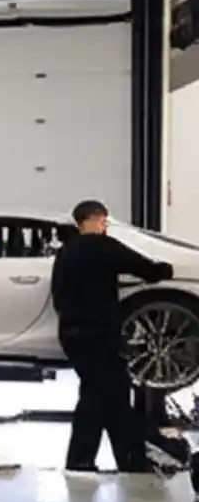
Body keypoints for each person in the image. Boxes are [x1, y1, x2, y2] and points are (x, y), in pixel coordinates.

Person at [50, 200, 173, 473]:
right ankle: (81, 460)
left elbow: (58, 294)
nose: (106, 226)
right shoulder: (103, 247)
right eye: (105, 221)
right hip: (99, 334)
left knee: (113, 394)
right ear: (99, 220)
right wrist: (169, 269)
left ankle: (130, 459)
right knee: (98, 395)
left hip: (72, 333)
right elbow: (148, 269)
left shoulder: (67, 252)